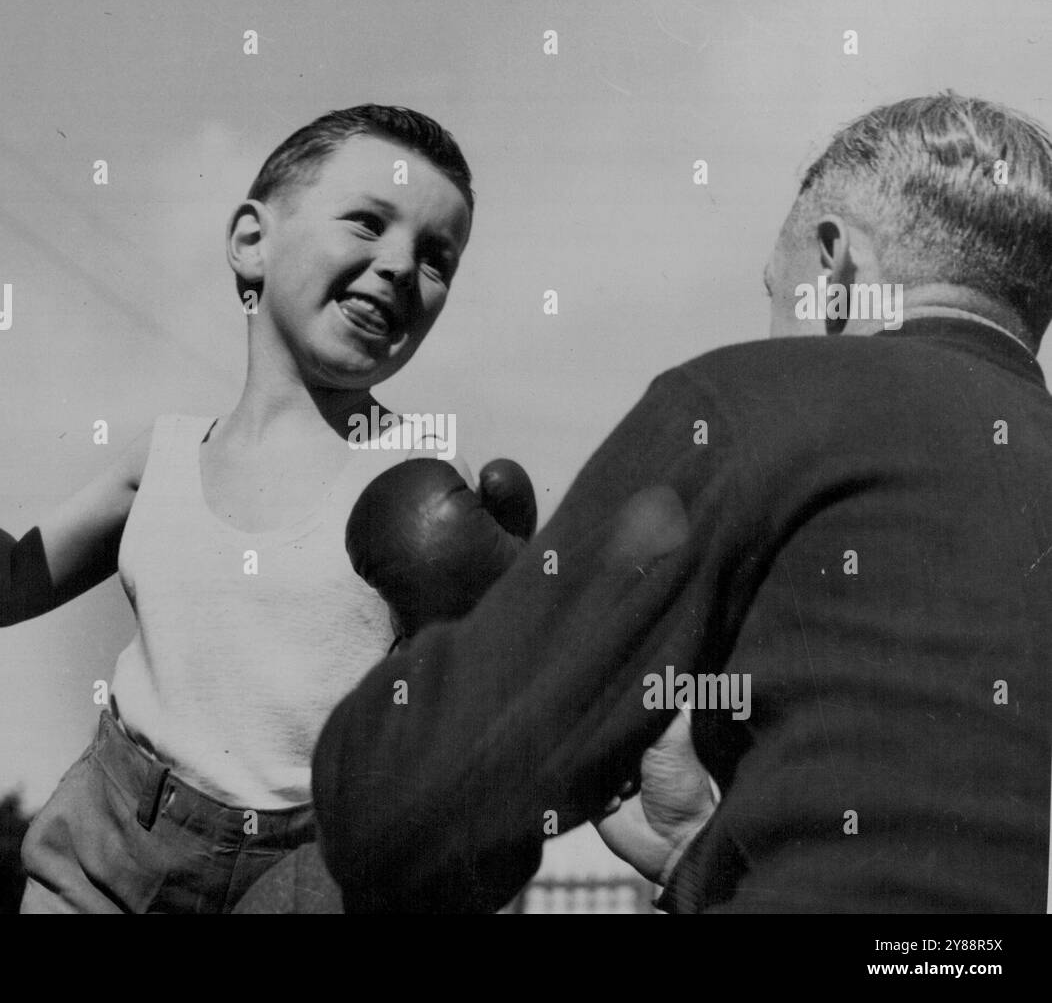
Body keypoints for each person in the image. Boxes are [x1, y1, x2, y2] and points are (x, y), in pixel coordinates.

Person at [312, 92, 1052, 913]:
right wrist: (694, 851)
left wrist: (451, 619)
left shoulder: (754, 403)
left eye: (779, 290)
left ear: (836, 270)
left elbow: (399, 819)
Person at [0, 104, 532, 913]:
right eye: (367, 223)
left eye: (436, 259)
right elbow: (1, 583)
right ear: (252, 242)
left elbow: (455, 723)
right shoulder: (166, 457)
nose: (398, 265)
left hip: (307, 874)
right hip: (111, 844)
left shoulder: (423, 480)